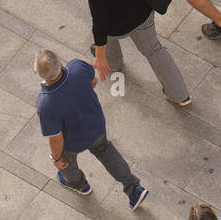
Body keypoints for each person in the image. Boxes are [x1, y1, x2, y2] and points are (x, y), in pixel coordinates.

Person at [33, 48, 148, 210]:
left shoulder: (45, 105)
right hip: (96, 125)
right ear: (61, 63)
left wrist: (57, 158)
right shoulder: (77, 67)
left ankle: (79, 184)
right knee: (106, 151)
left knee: (67, 163)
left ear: (36, 72)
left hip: (72, 141)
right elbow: (92, 82)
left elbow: (56, 138)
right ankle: (133, 188)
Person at [84, 0, 191, 106]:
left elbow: (100, 24)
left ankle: (114, 63)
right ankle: (179, 95)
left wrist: (99, 55)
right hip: (143, 17)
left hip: (115, 29)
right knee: (154, 50)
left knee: (107, 40)